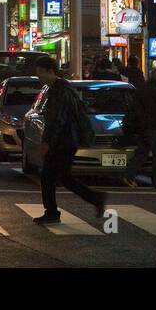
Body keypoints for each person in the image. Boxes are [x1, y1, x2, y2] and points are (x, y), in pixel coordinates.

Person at [31, 56, 105, 225]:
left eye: (41, 74)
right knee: (62, 177)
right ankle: (94, 198)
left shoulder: (60, 90)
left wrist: (47, 141)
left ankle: (52, 212)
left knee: (48, 176)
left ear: (50, 71)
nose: (39, 78)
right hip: (67, 140)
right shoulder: (60, 88)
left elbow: (58, 119)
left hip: (63, 141)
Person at [125, 65, 156, 188]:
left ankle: (129, 175)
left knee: (142, 151)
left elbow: (135, 107)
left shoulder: (142, 89)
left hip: (143, 126)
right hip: (155, 126)